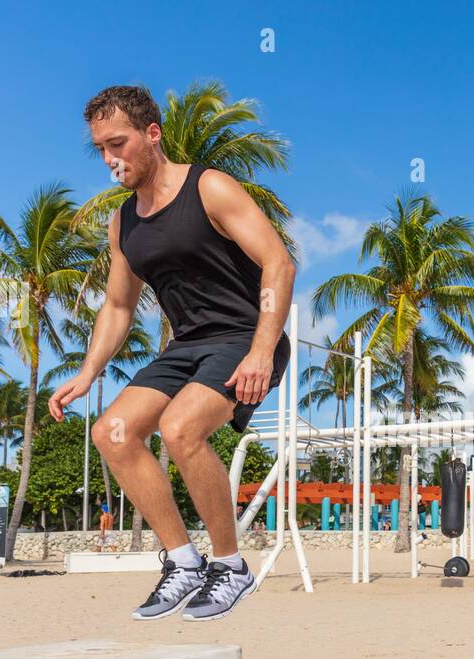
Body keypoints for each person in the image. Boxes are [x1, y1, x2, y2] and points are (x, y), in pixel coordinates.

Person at [49, 86, 293, 622]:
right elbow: (117, 305)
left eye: (118, 143)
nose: (110, 159)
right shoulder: (124, 223)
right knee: (112, 432)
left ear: (152, 134)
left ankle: (230, 568)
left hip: (245, 337)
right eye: (100, 149)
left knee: (181, 429)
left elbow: (278, 263)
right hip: (187, 345)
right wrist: (88, 373)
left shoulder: (209, 187)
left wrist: (260, 350)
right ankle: (183, 562)